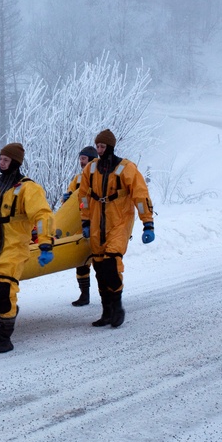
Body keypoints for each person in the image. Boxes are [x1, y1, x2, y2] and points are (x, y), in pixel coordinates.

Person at [0, 142, 55, 353]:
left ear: (15, 163)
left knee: (5, 291)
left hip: (13, 248)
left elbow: (42, 215)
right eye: (0, 159)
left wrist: (46, 243)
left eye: (6, 160)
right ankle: (9, 309)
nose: (1, 163)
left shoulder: (28, 188)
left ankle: (4, 339)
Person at [77, 129, 154, 329]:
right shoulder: (91, 169)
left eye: (102, 146)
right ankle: (106, 311)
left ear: (110, 146)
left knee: (111, 262)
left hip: (119, 221)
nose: (99, 150)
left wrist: (147, 223)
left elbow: (140, 195)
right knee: (99, 267)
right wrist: (85, 221)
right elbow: (83, 196)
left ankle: (117, 306)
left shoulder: (126, 168)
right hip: (97, 223)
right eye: (97, 146)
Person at [62, 146, 99, 306]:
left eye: (83, 159)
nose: (81, 162)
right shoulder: (77, 179)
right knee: (82, 263)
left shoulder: (100, 177)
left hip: (97, 224)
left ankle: (108, 295)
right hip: (80, 227)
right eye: (80, 159)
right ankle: (84, 295)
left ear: (91, 159)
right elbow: (69, 202)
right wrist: (67, 198)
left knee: (100, 263)